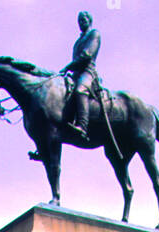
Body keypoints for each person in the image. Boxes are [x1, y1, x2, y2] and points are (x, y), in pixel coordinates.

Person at [61, 11, 101, 141]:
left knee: (80, 90)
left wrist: (68, 67)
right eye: (79, 21)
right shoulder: (77, 42)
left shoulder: (94, 34)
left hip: (88, 72)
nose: (81, 22)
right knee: (60, 92)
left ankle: (82, 126)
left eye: (83, 19)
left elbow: (86, 55)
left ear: (89, 20)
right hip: (76, 74)